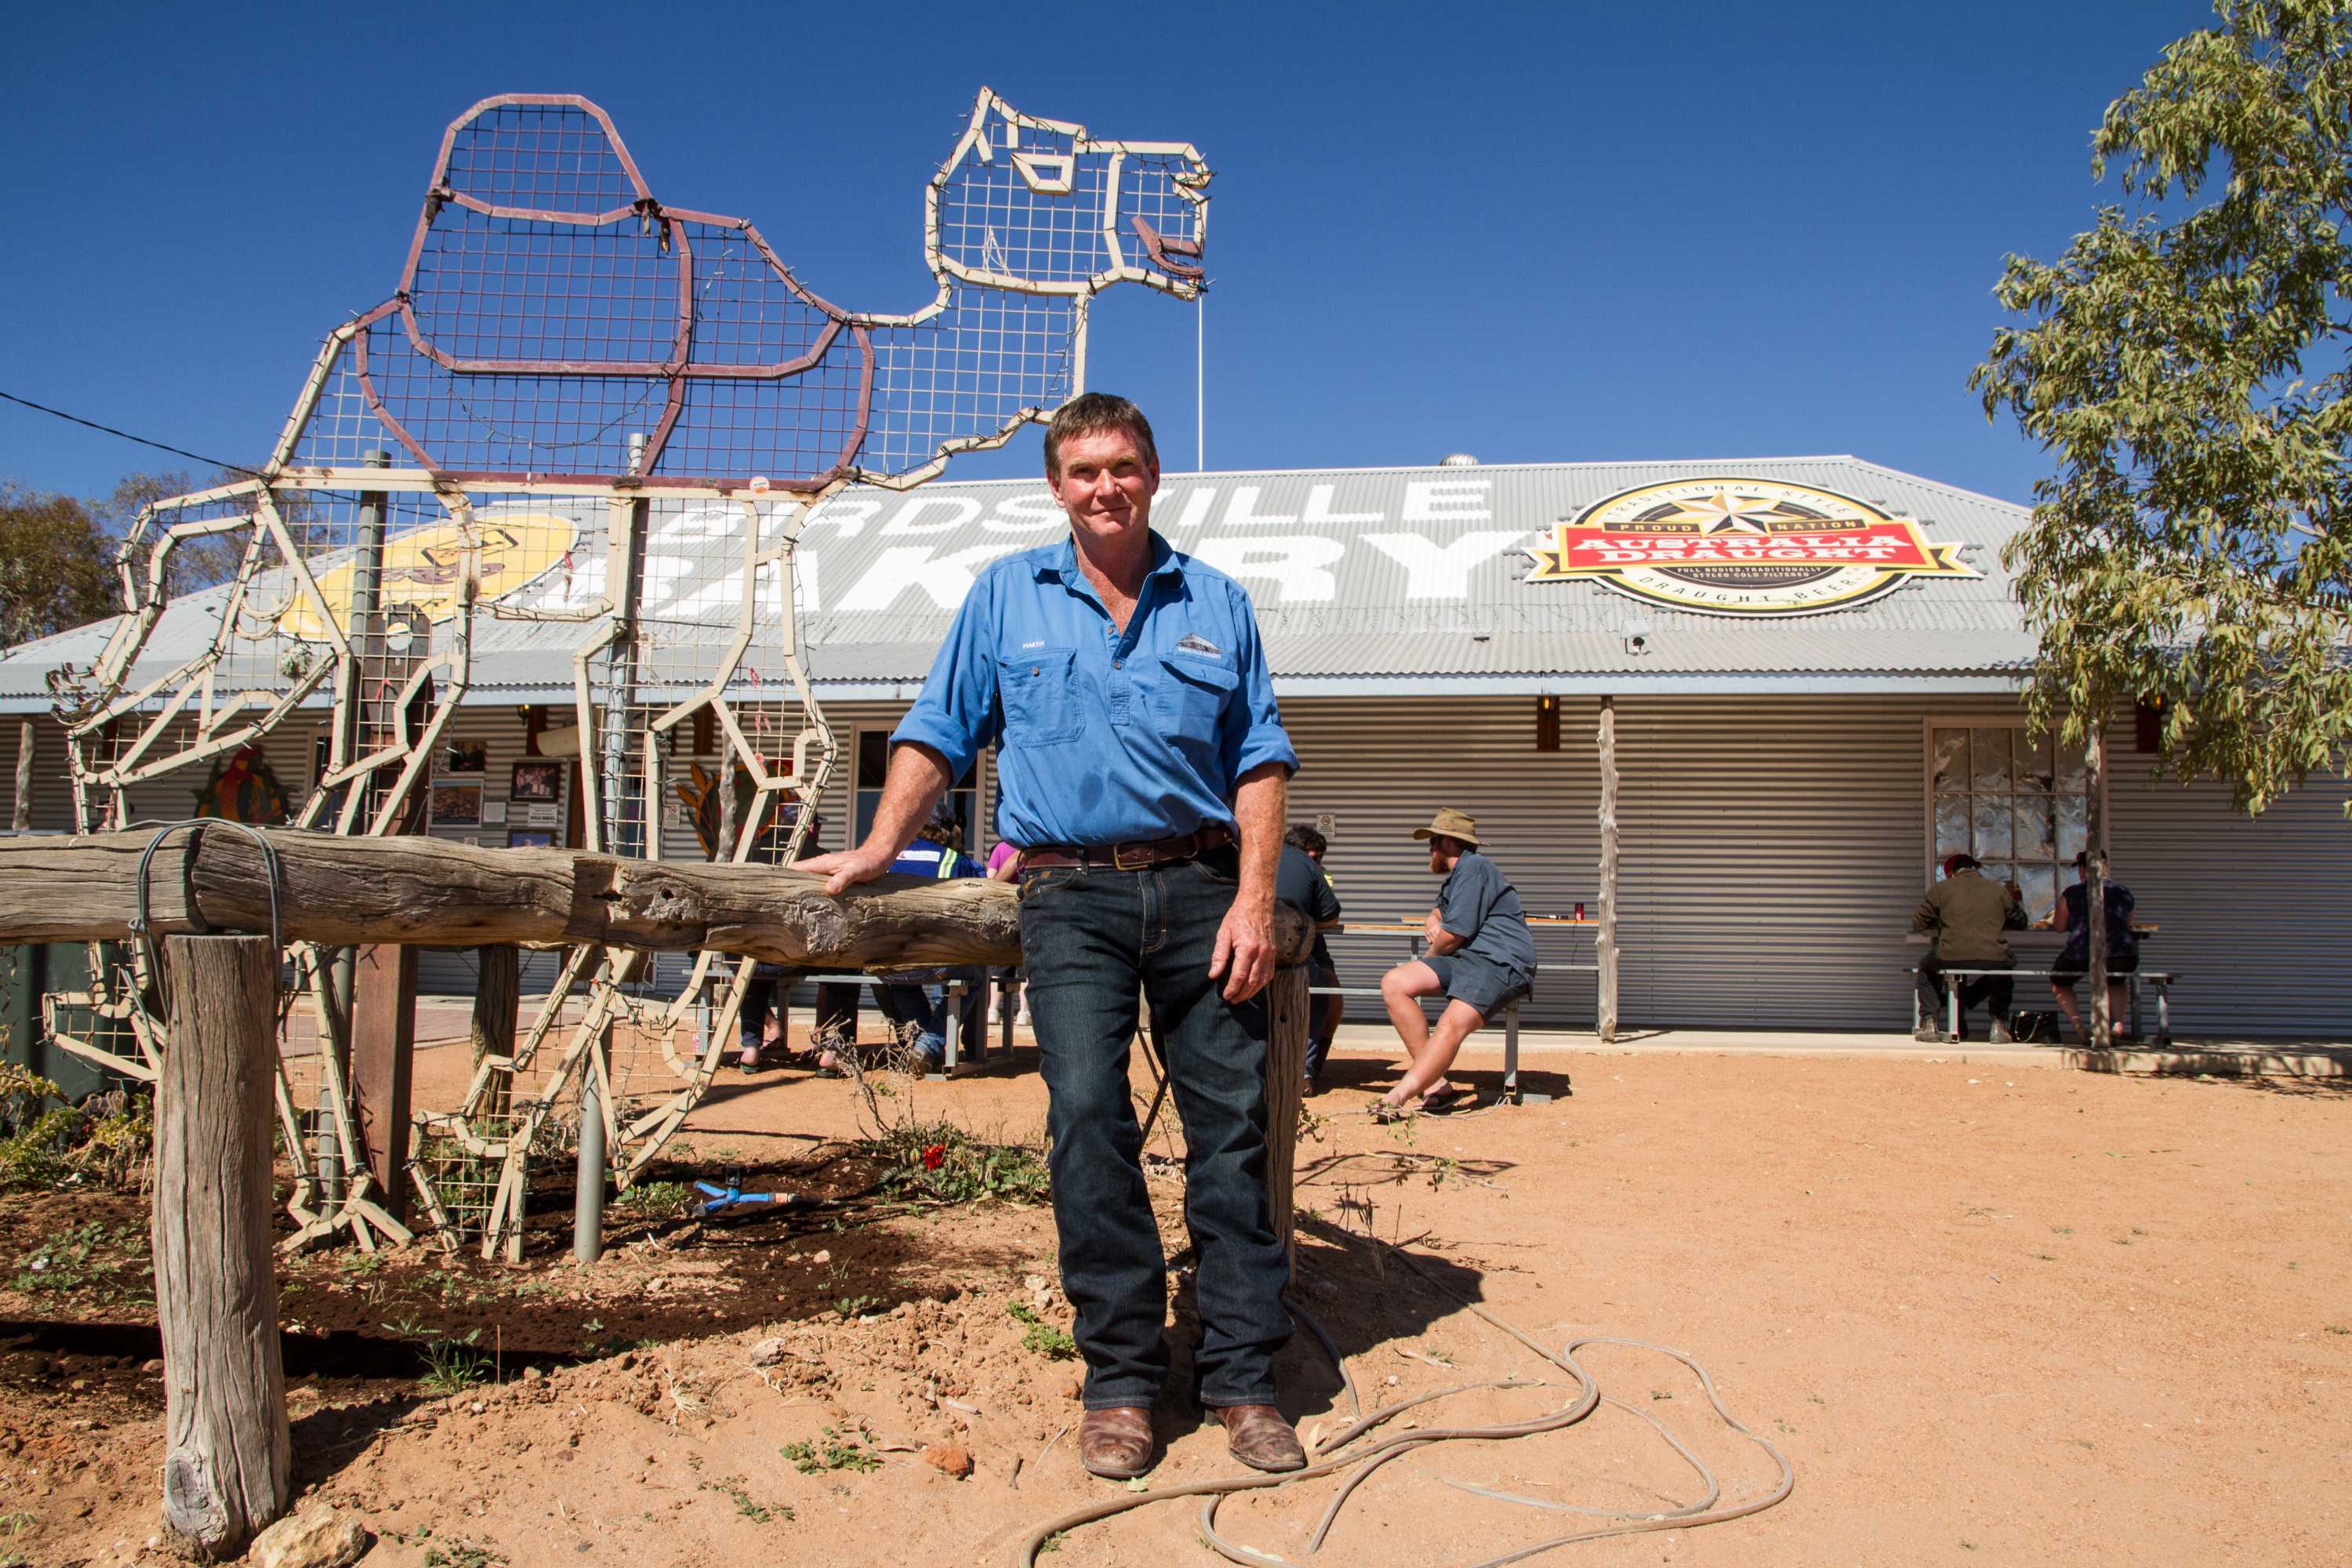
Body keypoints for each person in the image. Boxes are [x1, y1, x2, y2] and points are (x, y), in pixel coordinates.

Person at [800, 393, 1305, 1480]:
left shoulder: (1215, 600)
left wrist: (1257, 899)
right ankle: (1120, 1379)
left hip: (1203, 891)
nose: (1105, 487)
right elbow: (938, 729)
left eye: (1122, 465)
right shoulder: (1005, 596)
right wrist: (880, 842)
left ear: (1154, 473)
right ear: (1056, 486)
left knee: (1232, 1132)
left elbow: (1258, 761)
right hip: (1067, 896)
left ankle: (1242, 1377)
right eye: (1083, 471)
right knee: (1085, 1118)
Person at [1374, 809, 1534, 1119]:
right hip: (1467, 958)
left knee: (1450, 1023)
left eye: (1432, 841)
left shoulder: (1474, 868)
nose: (1429, 849)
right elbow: (1441, 910)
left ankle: (1400, 1094)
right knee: (1395, 983)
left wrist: (1431, 956)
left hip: (1499, 961)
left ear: (1449, 841)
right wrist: (1433, 917)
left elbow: (1454, 934)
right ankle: (1436, 1086)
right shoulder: (1460, 875)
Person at [864, 803, 986, 1071]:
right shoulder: (956, 861)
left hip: (891, 961)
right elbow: (984, 893)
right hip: (937, 961)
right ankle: (929, 1043)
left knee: (900, 982)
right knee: (975, 974)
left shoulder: (887, 859)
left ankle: (922, 1042)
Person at [1910, 852, 2026, 1044]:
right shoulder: (1997, 890)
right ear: (1976, 869)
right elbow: (2021, 921)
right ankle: (1999, 1025)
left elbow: (1918, 923)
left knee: (1926, 969)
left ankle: (1930, 1023)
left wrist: (1942, 920)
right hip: (1993, 955)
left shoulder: (1941, 889)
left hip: (1950, 954)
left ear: (1954, 874)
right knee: (2003, 969)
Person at [1278, 825, 1343, 1091]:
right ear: (1313, 853)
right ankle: (1305, 1072)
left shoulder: (1259, 852)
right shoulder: (1309, 865)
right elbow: (1331, 916)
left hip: (1247, 943)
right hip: (1294, 947)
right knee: (1317, 997)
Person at [2049, 852, 2138, 1044]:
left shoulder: (2071, 893)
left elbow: (2059, 927)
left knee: (2060, 982)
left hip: (2081, 953)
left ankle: (2080, 1028)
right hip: (2122, 953)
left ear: (2083, 869)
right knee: (2116, 980)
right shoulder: (2123, 891)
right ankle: (2118, 1023)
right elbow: (2128, 923)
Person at [985, 837, 1029, 1027]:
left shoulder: (1000, 849)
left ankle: (993, 1010)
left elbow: (990, 877)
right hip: (1025, 909)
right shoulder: (1030, 848)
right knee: (1025, 967)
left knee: (999, 966)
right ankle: (1024, 1012)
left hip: (1002, 912)